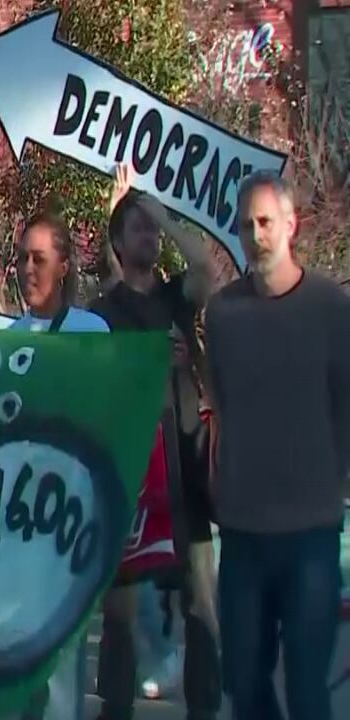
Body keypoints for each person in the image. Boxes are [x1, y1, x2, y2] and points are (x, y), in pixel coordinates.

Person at [204, 170, 350, 720]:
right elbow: (220, 398)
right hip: (243, 533)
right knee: (244, 680)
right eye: (246, 226)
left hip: (310, 531)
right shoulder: (222, 314)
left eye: (265, 222)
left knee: (308, 685)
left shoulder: (329, 308)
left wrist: (332, 477)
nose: (255, 235)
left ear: (290, 225)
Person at [89, 179, 221, 720]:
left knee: (202, 608)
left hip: (185, 470)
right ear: (118, 243)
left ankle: (205, 709)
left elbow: (206, 269)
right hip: (133, 478)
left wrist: (162, 215)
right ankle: (113, 708)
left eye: (152, 229)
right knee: (118, 613)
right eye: (138, 227)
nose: (149, 236)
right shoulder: (103, 311)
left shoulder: (174, 298)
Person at [8, 215, 109, 720]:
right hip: (21, 528)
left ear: (64, 266)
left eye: (39, 258)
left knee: (64, 673)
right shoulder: (11, 336)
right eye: (23, 257)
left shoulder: (94, 333)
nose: (28, 268)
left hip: (72, 524)